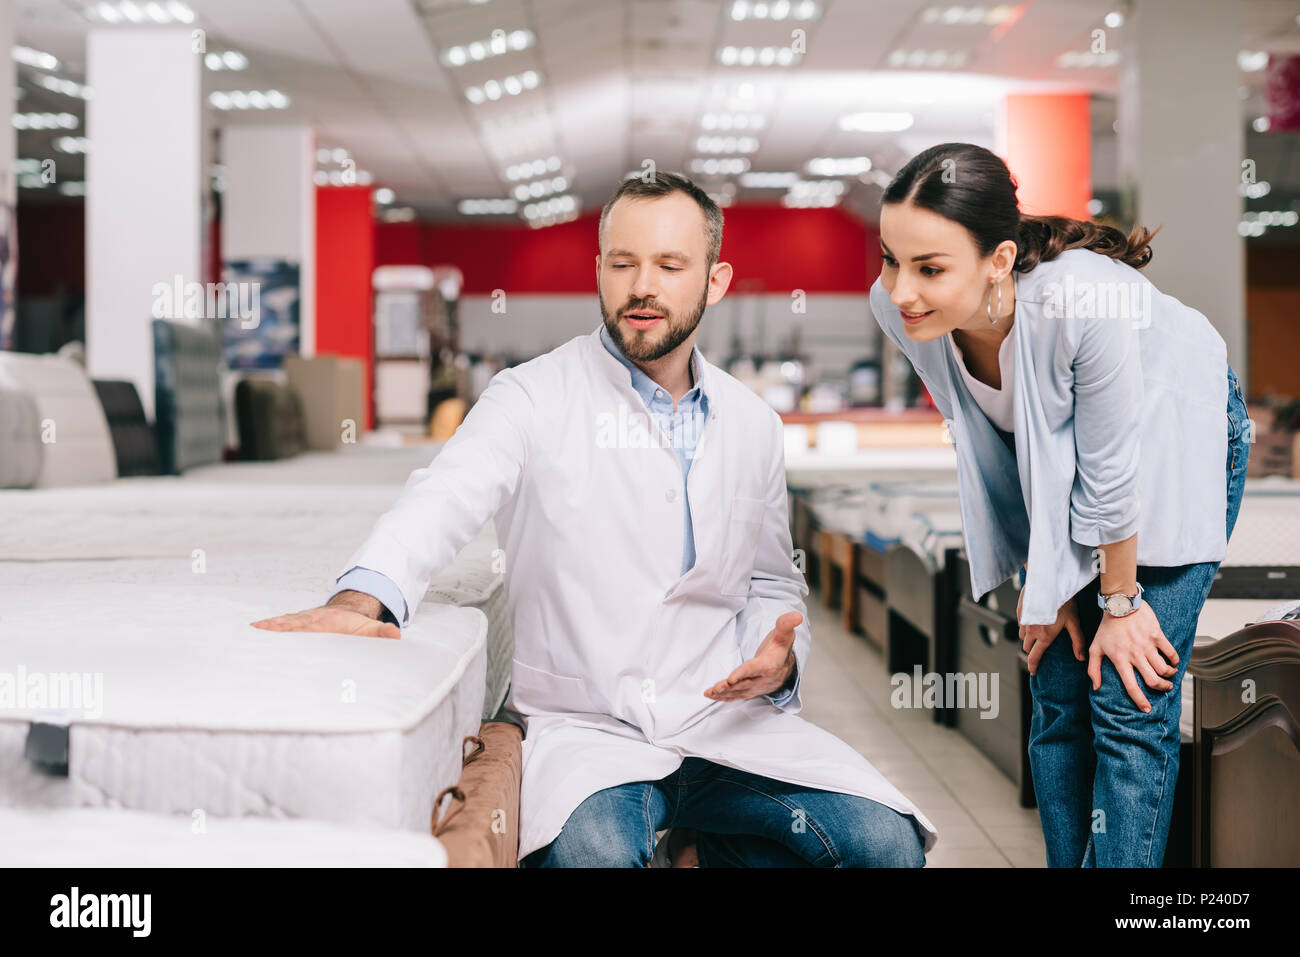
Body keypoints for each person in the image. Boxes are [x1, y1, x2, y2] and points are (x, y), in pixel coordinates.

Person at [253, 171, 937, 867]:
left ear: (716, 278)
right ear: (600, 271)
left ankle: (703, 848)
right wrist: (361, 596)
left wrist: (778, 656)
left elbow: (770, 582)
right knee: (595, 859)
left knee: (887, 844)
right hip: (589, 728)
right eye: (623, 263)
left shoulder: (752, 423)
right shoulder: (531, 395)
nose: (643, 286)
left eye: (671, 265)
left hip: (723, 724)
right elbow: (445, 493)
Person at [870, 142, 1250, 867]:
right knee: (1056, 686)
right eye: (891, 258)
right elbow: (995, 444)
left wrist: (1118, 599)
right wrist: (1041, 582)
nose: (900, 290)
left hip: (1176, 438)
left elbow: (1111, 466)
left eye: (929, 268)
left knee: (1125, 696)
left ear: (999, 259)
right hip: (1085, 467)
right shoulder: (900, 312)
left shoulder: (1083, 303)